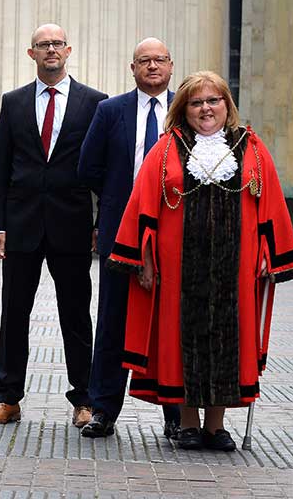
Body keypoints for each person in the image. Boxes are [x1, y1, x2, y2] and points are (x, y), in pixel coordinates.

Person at [107, 71, 293, 451]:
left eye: (213, 100)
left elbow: (271, 205)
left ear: (227, 105)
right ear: (185, 109)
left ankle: (217, 426)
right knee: (182, 339)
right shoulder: (165, 149)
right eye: (197, 102)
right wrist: (144, 260)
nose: (206, 108)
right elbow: (142, 207)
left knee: (229, 340)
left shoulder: (252, 148)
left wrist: (270, 256)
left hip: (236, 266)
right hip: (179, 268)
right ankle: (187, 423)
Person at [0, 23, 106, 429]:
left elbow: (102, 171)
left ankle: (84, 400)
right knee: (14, 312)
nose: (50, 49)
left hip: (72, 225)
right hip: (20, 225)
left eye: (56, 43)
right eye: (42, 45)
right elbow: (0, 168)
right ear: (31, 54)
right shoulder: (13, 102)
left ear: (68, 50)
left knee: (76, 314)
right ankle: (8, 398)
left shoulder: (95, 104)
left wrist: (100, 222)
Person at [77, 38, 180, 440]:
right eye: (144, 61)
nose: (152, 66)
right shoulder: (110, 111)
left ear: (171, 66)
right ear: (132, 67)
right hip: (122, 230)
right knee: (113, 321)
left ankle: (177, 413)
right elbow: (87, 168)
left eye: (159, 60)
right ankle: (103, 409)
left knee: (170, 322)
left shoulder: (185, 110)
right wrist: (119, 201)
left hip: (174, 234)